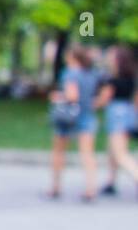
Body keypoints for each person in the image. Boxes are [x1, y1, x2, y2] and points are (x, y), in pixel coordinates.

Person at [48, 45, 101, 201]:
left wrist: (58, 96)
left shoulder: (70, 74)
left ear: (72, 57)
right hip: (87, 115)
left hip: (68, 117)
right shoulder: (90, 74)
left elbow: (72, 96)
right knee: (88, 154)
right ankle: (91, 188)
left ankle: (55, 187)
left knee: (59, 152)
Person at [98, 45, 138, 197]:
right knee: (112, 150)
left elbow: (104, 99)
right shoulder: (131, 78)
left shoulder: (112, 80)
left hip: (116, 114)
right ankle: (111, 182)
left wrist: (88, 104)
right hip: (128, 112)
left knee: (120, 153)